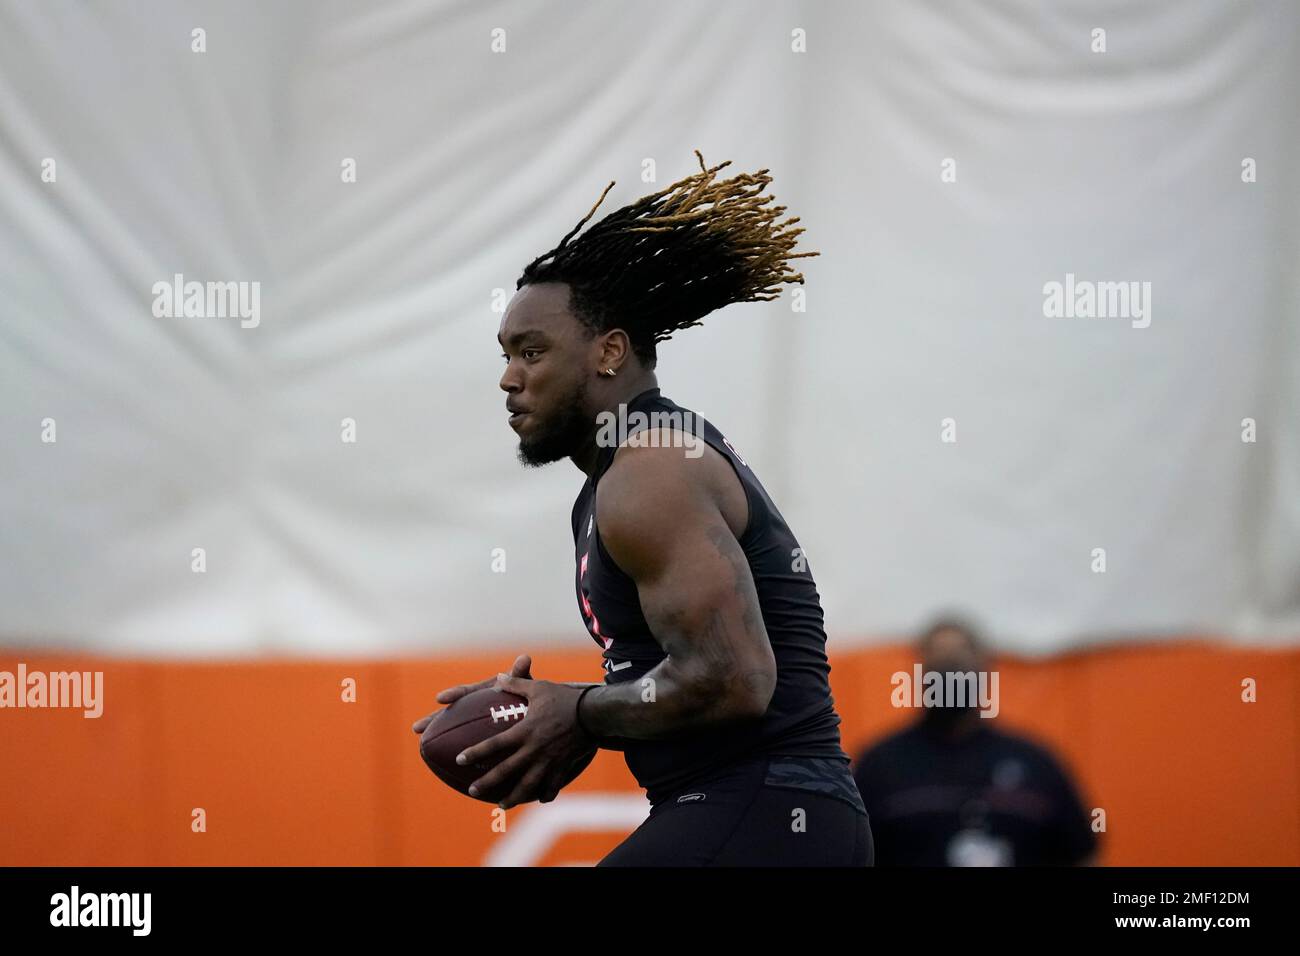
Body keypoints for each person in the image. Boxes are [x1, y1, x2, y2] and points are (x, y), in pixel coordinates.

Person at [413, 151, 871, 865]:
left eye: (532, 351)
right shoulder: (613, 482)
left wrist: (582, 713)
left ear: (609, 353)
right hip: (762, 813)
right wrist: (556, 717)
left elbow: (736, 679)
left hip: (766, 807)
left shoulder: (650, 471)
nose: (508, 378)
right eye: (504, 354)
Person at [852, 618, 1098, 866]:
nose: (949, 675)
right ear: (920, 670)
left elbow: (1083, 855)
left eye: (959, 661)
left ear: (985, 668)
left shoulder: (1037, 763)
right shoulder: (880, 765)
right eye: (940, 662)